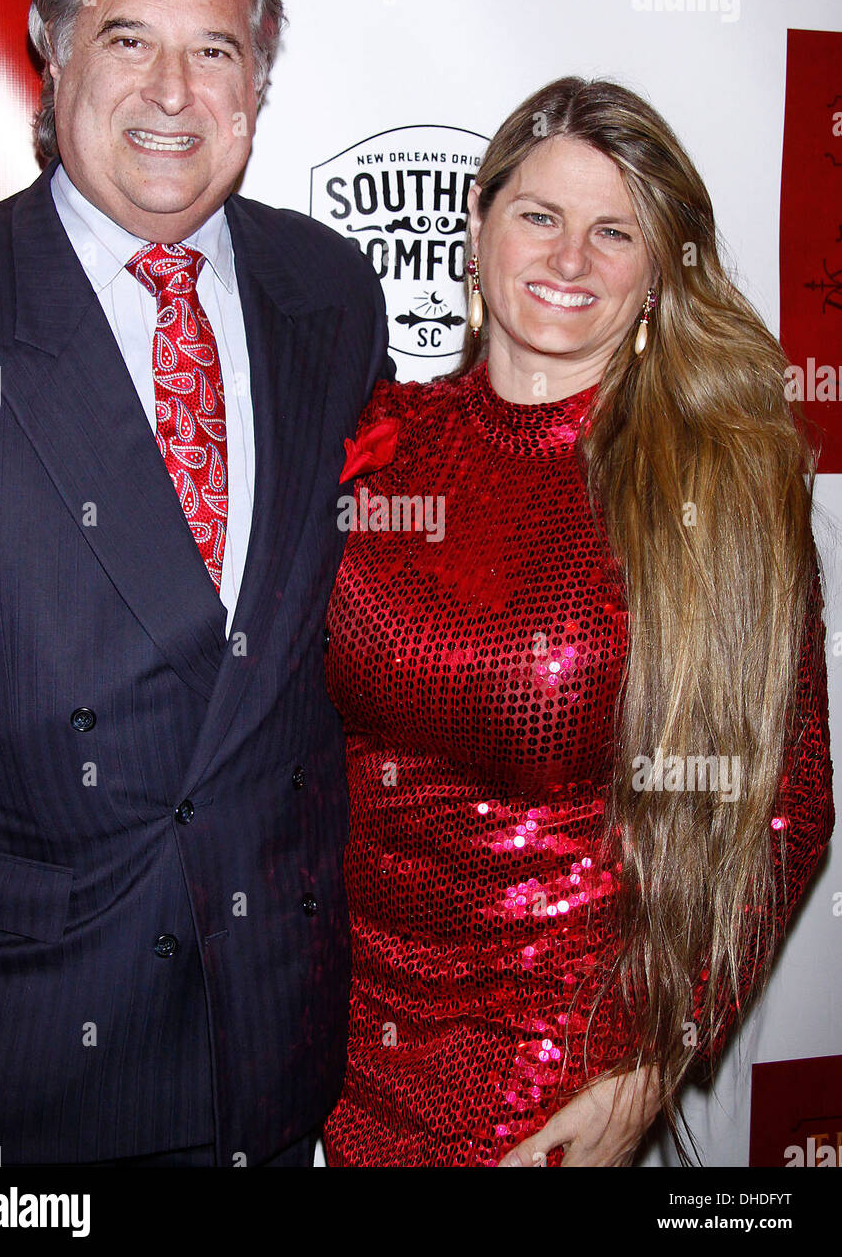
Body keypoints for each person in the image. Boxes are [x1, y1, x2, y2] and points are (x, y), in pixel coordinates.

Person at [0, 0, 391, 1167]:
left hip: (273, 1045)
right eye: (132, 39)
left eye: (218, 50)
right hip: (13, 1062)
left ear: (258, 84)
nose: (175, 93)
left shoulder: (331, 292)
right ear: (54, 53)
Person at [322, 76, 834, 1167]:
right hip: (338, 1028)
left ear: (657, 276)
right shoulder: (385, 440)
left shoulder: (717, 484)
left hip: (553, 1054)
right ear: (479, 231)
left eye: (615, 232)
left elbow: (786, 812)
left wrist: (647, 1069)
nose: (570, 259)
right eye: (540, 216)